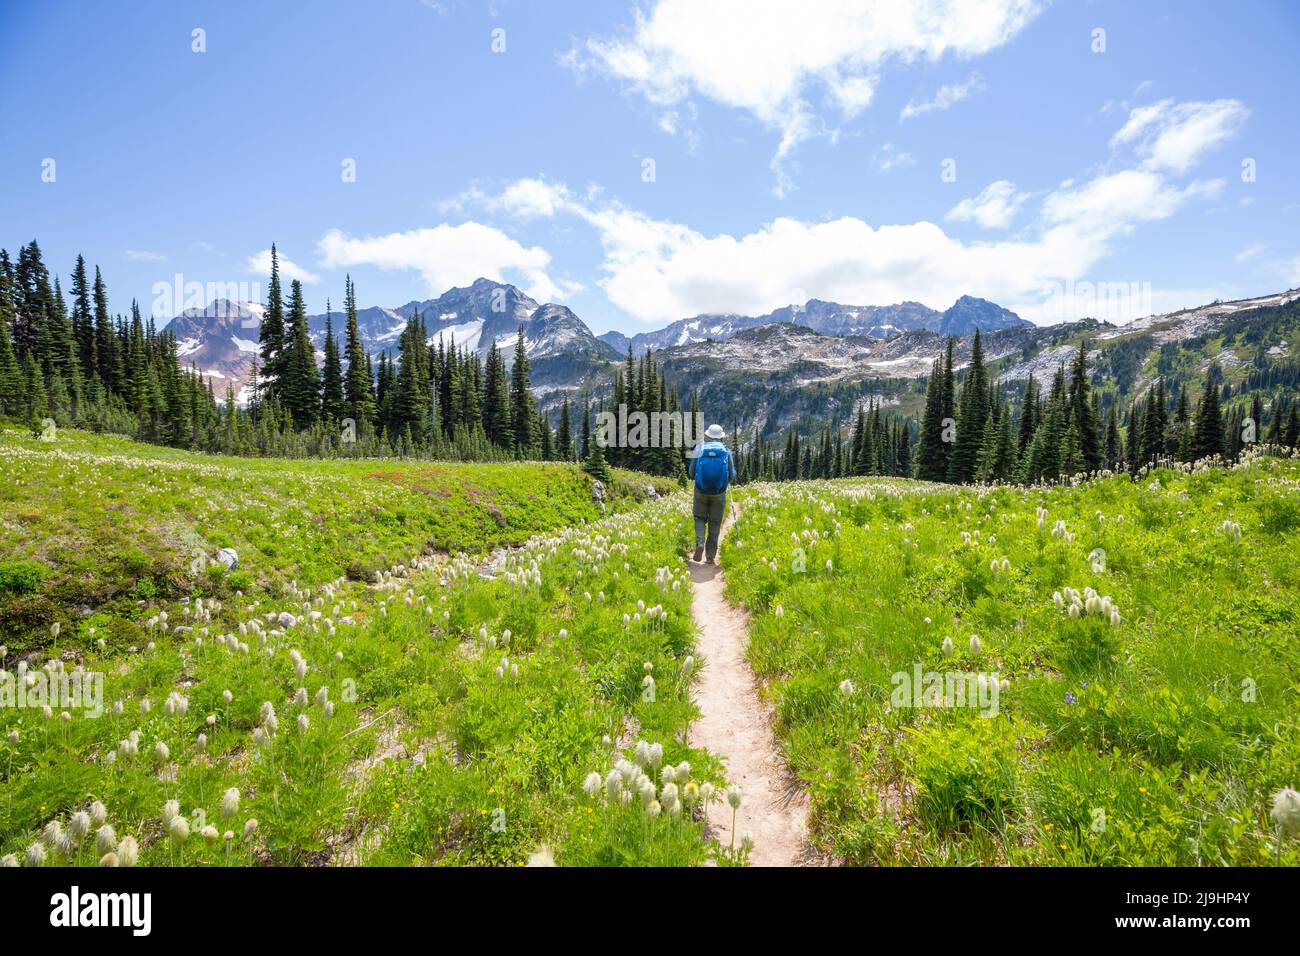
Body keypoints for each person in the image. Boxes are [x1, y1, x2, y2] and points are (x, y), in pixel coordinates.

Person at [687, 423, 737, 564]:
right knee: (715, 522)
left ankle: (700, 543)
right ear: (720, 437)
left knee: (699, 518)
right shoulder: (726, 451)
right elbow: (732, 475)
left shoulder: (698, 448)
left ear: (707, 435)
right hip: (719, 493)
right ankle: (710, 557)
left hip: (700, 491)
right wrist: (730, 476)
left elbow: (691, 472)